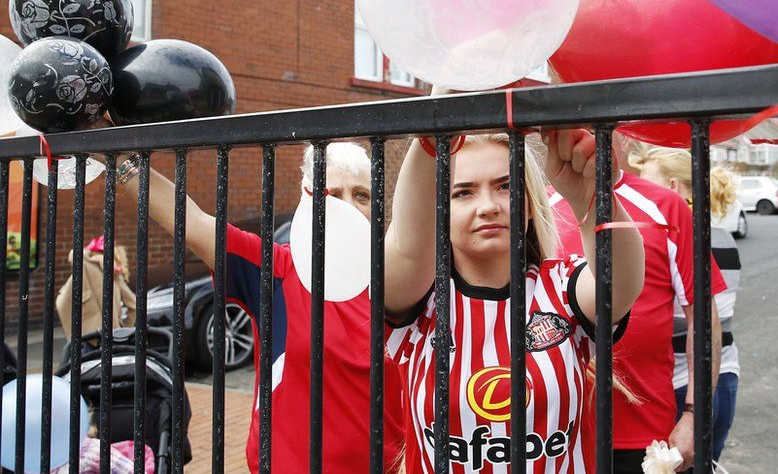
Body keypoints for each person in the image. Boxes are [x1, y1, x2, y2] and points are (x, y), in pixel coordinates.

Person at [114, 142, 404, 473]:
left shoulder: (397, 281)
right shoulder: (280, 268)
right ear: (308, 202)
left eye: (362, 195)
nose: (348, 207)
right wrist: (120, 160)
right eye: (332, 194)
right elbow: (192, 223)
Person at [384, 120, 646, 472]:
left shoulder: (560, 287)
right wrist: (445, 105)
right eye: (463, 193)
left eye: (506, 186)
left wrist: (591, 198)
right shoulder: (421, 301)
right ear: (436, 212)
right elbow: (409, 250)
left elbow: (619, 285)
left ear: (530, 202)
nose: (488, 206)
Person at [549, 135, 726, 473]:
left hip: (646, 435)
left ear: (628, 137)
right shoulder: (537, 206)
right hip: (555, 432)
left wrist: (693, 415)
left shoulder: (667, 205)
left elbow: (703, 318)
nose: (586, 135)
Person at [632, 145, 742, 468]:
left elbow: (695, 317)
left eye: (645, 181)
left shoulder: (678, 236)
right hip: (726, 374)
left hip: (685, 384)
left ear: (672, 187)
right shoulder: (722, 236)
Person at [55, 237, 136, 342]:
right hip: (111, 335)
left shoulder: (85, 266)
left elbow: (74, 255)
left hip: (86, 336)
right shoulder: (114, 275)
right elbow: (134, 306)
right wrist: (124, 329)